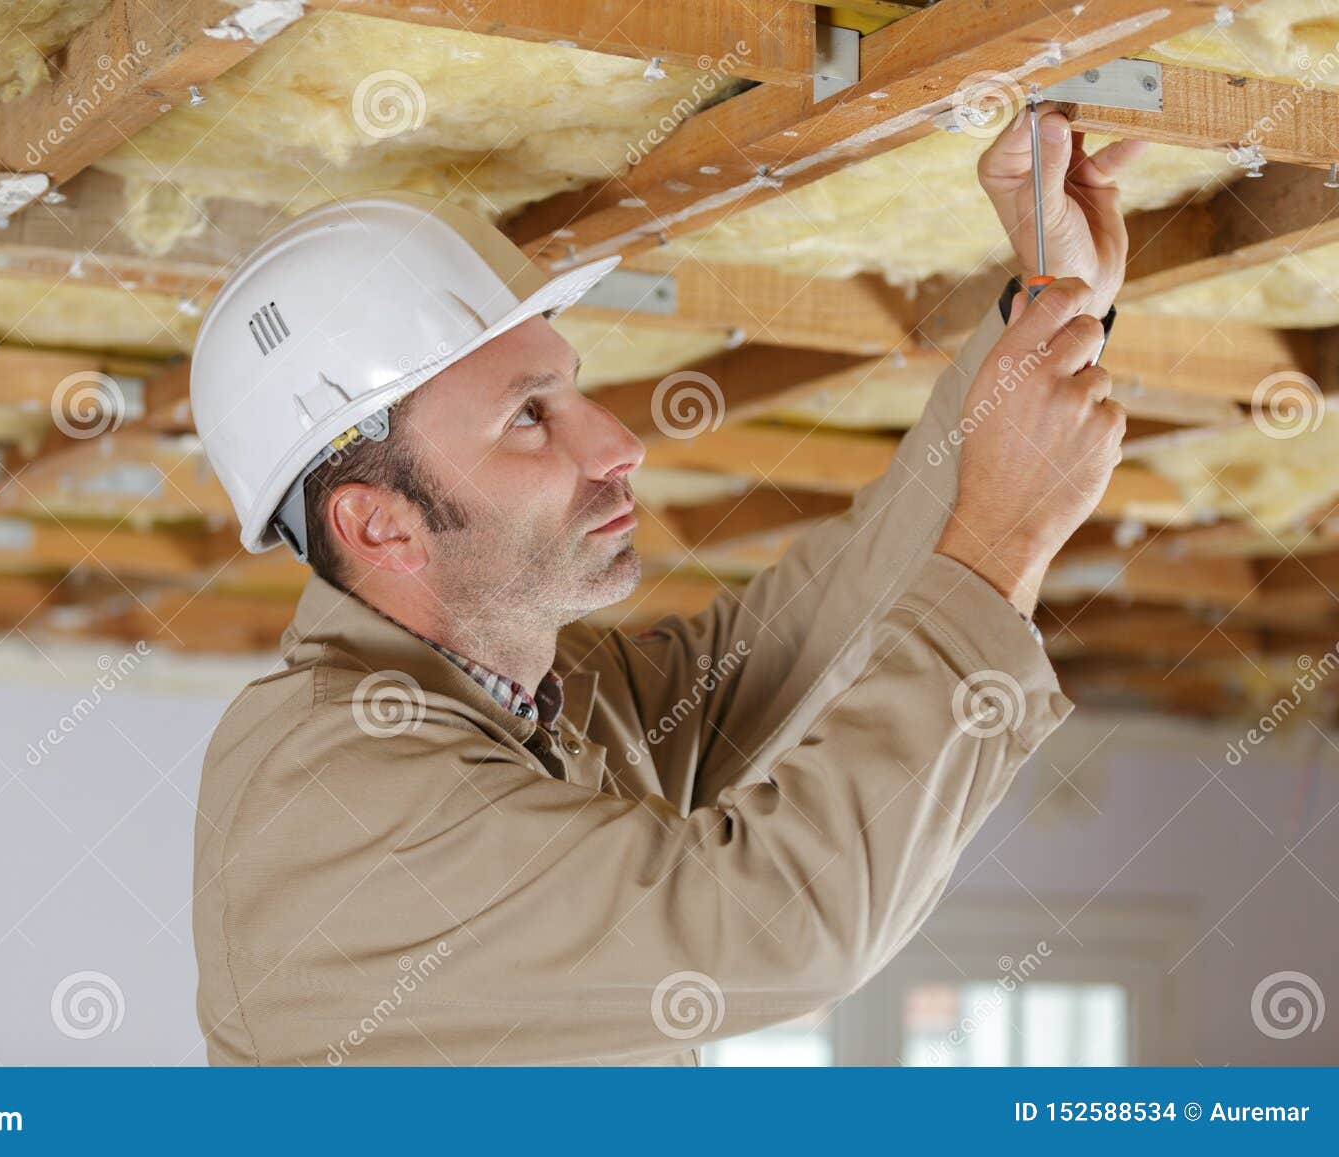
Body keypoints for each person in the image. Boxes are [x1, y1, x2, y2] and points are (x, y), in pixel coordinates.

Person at [185, 109, 1139, 1065]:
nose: (618, 445)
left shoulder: (548, 693)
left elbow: (801, 647)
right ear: (380, 525)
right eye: (528, 417)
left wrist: (1053, 314)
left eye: (569, 389)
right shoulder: (331, 790)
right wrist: (1000, 541)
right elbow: (775, 927)